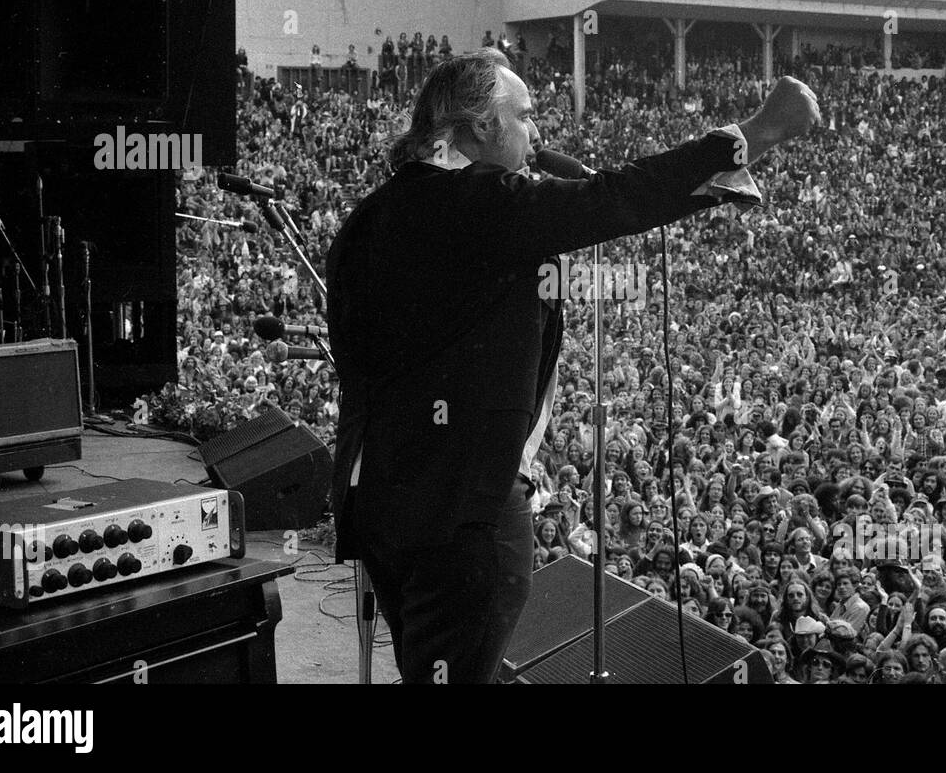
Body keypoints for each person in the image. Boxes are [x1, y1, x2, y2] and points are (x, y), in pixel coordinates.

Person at [326, 48, 821, 683]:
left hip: (383, 503)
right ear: (480, 127)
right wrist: (753, 134)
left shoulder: (369, 215)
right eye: (524, 117)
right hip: (462, 510)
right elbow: (616, 197)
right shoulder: (478, 203)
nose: (535, 135)